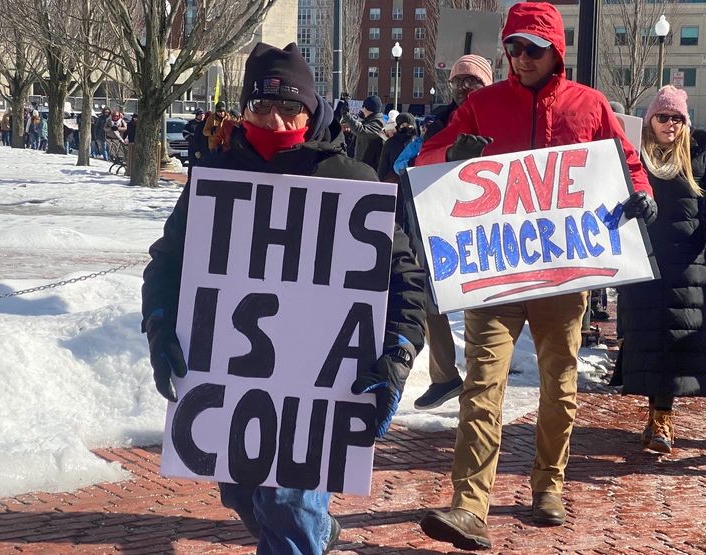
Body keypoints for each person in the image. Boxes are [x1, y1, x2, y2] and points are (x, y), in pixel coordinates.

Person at [141, 41, 426, 555]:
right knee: (243, 494)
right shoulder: (216, 179)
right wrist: (160, 325)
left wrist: (400, 352)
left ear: (311, 111)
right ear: (245, 108)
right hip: (236, 385)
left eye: (290, 107)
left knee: (286, 505)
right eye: (262, 106)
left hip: (319, 393)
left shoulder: (352, 182)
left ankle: (308, 532)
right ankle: (318, 532)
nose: (275, 121)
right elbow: (168, 262)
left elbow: (405, 278)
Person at [414, 3, 654, 548]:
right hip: (493, 276)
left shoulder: (589, 105)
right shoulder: (480, 104)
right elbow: (426, 161)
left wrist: (641, 195)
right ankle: (468, 505)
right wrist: (452, 152)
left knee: (559, 387)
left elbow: (627, 162)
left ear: (555, 51)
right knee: (481, 387)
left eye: (533, 48)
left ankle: (548, 485)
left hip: (564, 276)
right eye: (513, 47)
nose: (521, 58)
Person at [616, 86, 706, 454]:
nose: (670, 124)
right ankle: (655, 413)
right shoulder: (633, 156)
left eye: (678, 118)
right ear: (650, 120)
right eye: (663, 117)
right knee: (647, 340)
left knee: (677, 342)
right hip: (643, 262)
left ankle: (662, 416)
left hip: (685, 265)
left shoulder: (700, 157)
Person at [413, 54, 495, 411]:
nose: (463, 87)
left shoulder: (502, 114)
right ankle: (444, 376)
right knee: (431, 299)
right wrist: (451, 152)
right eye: (458, 81)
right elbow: (420, 161)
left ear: (487, 83)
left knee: (483, 314)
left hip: (492, 230)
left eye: (472, 80)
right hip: (446, 224)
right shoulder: (441, 120)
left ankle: (481, 391)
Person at [425, 55, 494, 142]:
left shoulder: (501, 120)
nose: (460, 88)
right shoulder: (440, 124)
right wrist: (449, 154)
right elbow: (426, 154)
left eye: (470, 81)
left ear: (486, 85)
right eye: (456, 82)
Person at [340, 95, 386, 169]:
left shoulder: (378, 123)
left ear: (366, 108)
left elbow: (361, 131)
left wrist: (346, 115)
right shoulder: (368, 121)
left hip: (369, 165)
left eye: (363, 107)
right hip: (362, 163)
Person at [376, 112, 416, 183]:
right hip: (395, 181)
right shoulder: (391, 143)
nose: (405, 127)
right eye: (402, 125)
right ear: (398, 126)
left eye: (408, 125)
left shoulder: (416, 142)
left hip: (414, 180)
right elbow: (383, 166)